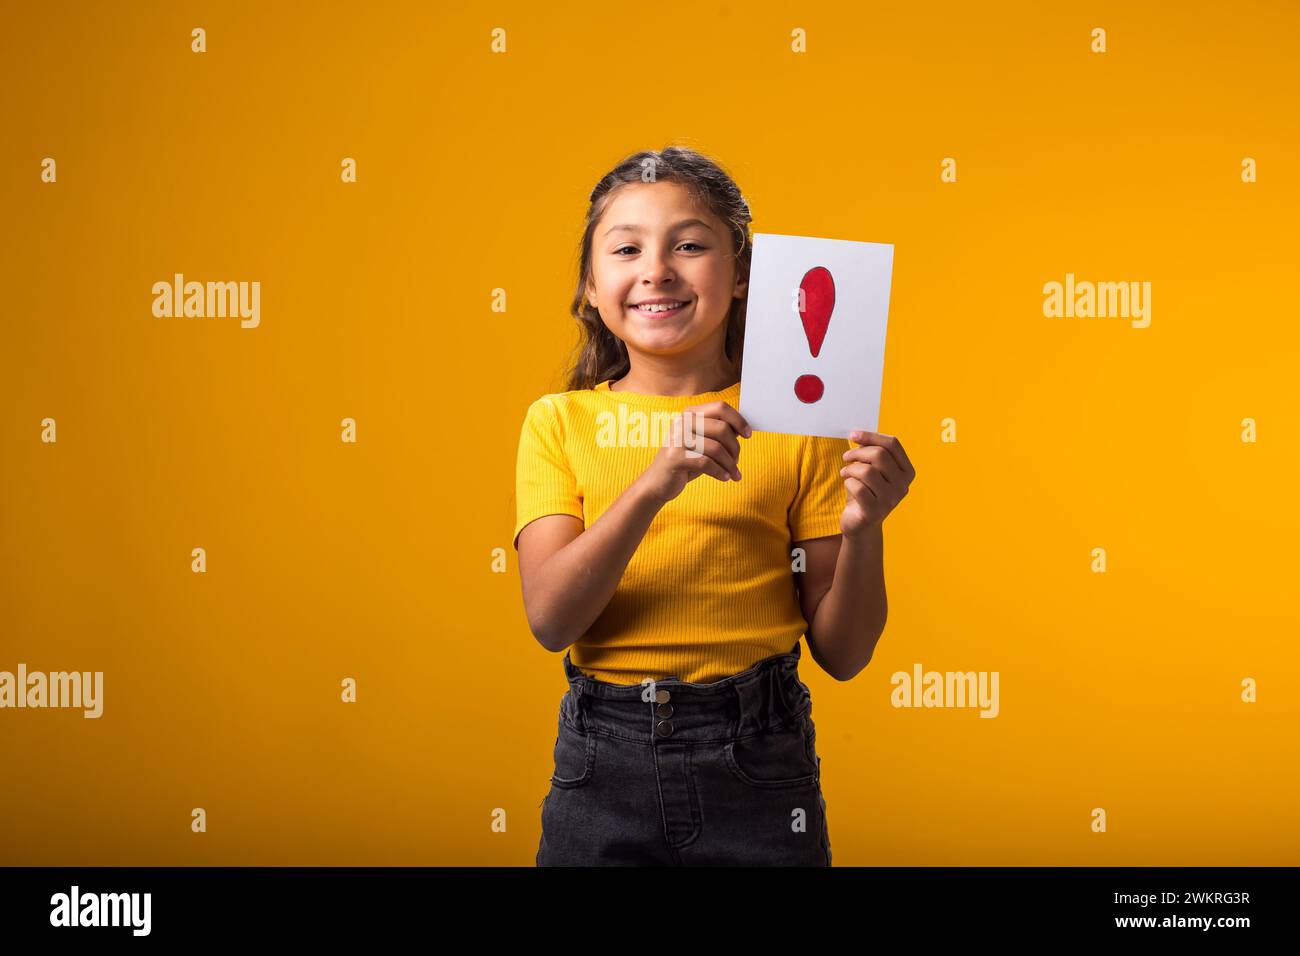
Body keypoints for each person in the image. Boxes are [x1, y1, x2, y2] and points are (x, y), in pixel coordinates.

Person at [513, 145, 916, 865]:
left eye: (691, 245)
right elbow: (551, 619)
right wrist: (657, 481)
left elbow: (845, 653)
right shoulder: (558, 422)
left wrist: (863, 530)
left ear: (741, 278)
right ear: (589, 287)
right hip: (601, 763)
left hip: (758, 763)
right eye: (627, 248)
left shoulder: (799, 426)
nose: (657, 270)